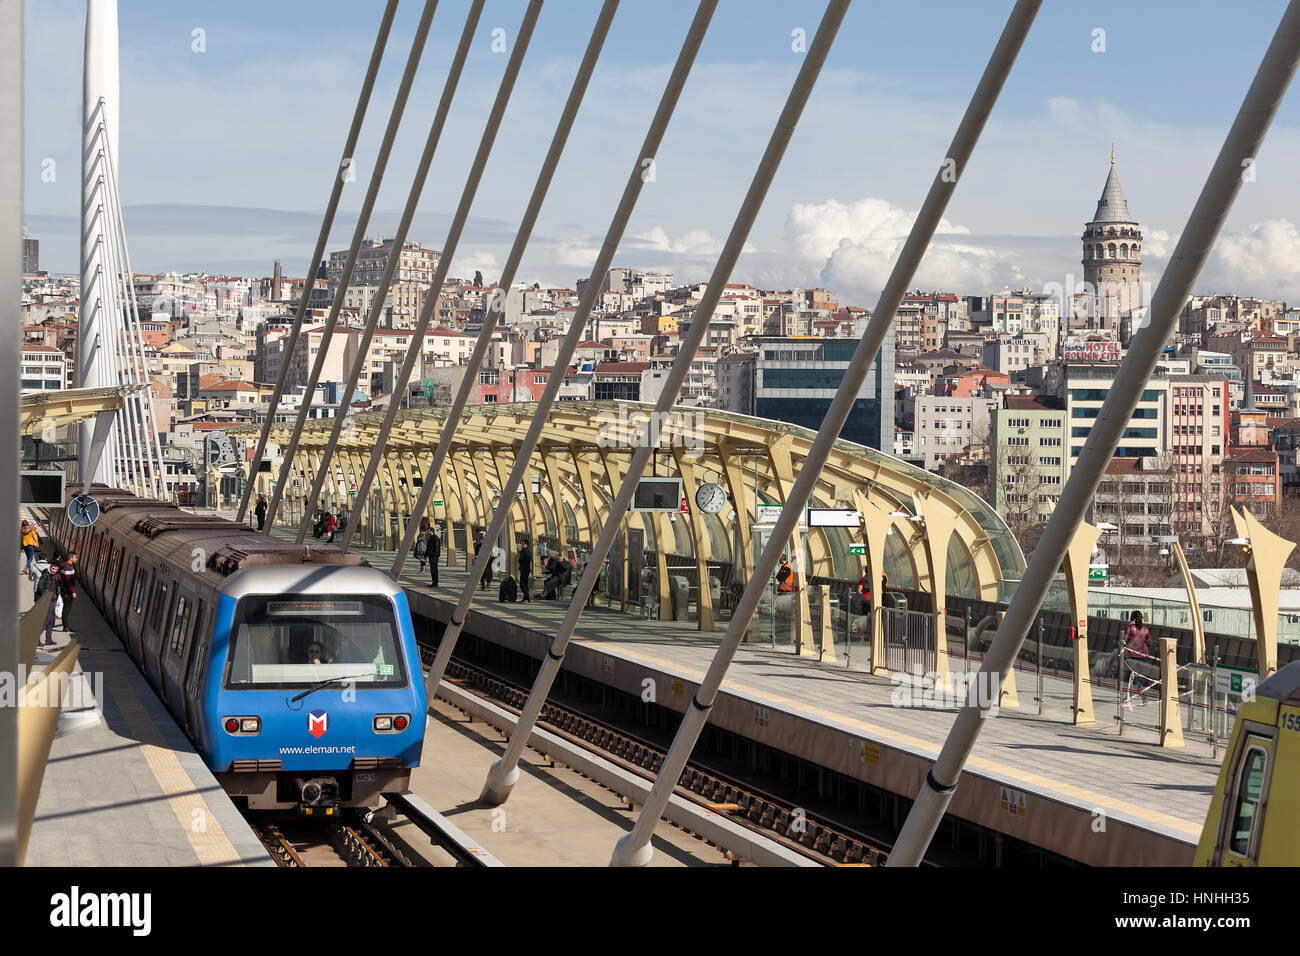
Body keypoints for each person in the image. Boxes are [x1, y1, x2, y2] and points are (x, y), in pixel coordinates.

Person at [57, 552, 77, 630]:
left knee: (66, 607)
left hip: (64, 589)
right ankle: (66, 626)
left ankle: (66, 625)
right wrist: (73, 591)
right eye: (75, 557)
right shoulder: (68, 567)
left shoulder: (64, 565)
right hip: (67, 591)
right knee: (67, 608)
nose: (76, 559)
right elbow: (69, 582)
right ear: (71, 558)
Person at [517, 538, 533, 604]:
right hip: (526, 569)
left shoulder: (525, 551)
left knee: (522, 584)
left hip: (524, 569)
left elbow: (520, 559)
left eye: (523, 544)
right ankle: (525, 599)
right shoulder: (528, 551)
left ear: (526, 544)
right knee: (525, 584)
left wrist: (520, 556)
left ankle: (527, 598)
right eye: (521, 544)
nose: (522, 545)